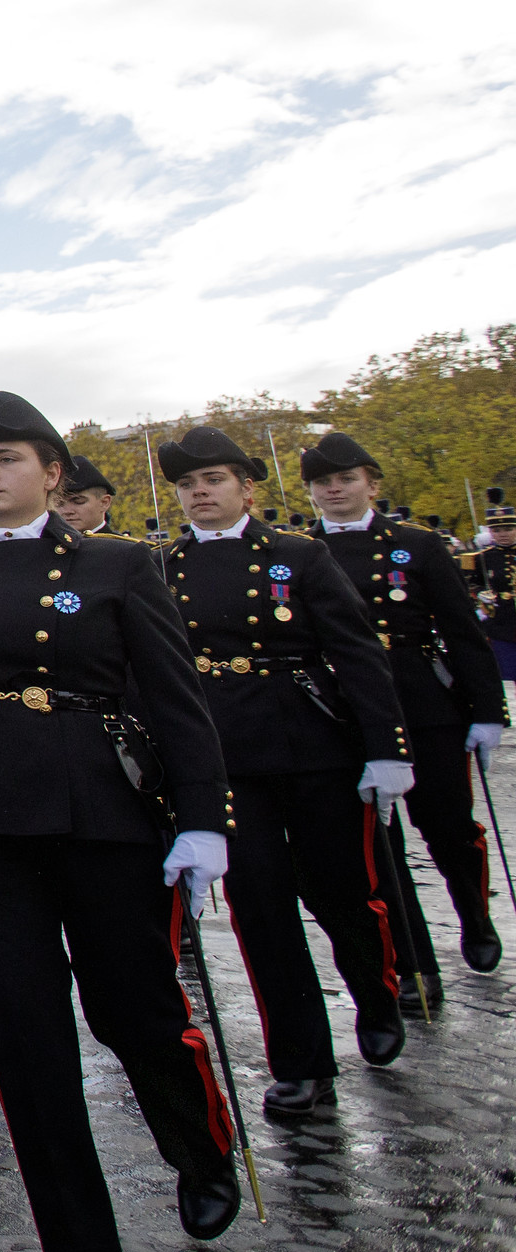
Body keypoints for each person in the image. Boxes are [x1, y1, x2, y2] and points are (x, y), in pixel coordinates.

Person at [0, 390, 241, 1252]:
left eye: (5, 458)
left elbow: (177, 698)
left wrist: (203, 819)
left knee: (136, 1008)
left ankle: (201, 1145)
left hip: (99, 811)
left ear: (51, 471)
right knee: (26, 1037)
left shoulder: (118, 565)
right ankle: (78, 1248)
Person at [160, 427, 411, 1117]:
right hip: (227, 759)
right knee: (262, 915)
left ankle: (378, 993)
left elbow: (357, 652)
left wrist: (386, 747)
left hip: (313, 749)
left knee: (344, 895)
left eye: (213, 479)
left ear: (246, 486)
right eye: (188, 484)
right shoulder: (165, 566)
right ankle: (301, 1059)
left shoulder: (298, 555)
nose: (200, 493)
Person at [305, 433, 507, 991]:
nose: (335, 489)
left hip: (421, 703)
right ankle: (416, 964)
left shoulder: (415, 545)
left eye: (346, 479)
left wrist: (488, 709)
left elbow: (464, 633)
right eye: (323, 482)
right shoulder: (297, 552)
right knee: (378, 851)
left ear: (371, 483)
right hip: (345, 711)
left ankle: (474, 913)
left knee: (446, 826)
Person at [463, 489, 516, 688]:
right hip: (500, 624)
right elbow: (467, 586)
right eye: (497, 530)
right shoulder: (480, 559)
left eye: (509, 529)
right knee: (507, 675)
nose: (503, 534)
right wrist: (480, 596)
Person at [55, 457, 117, 535]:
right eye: (59, 503)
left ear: (104, 503)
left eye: (78, 501)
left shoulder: (124, 546)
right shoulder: (44, 544)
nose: (67, 511)